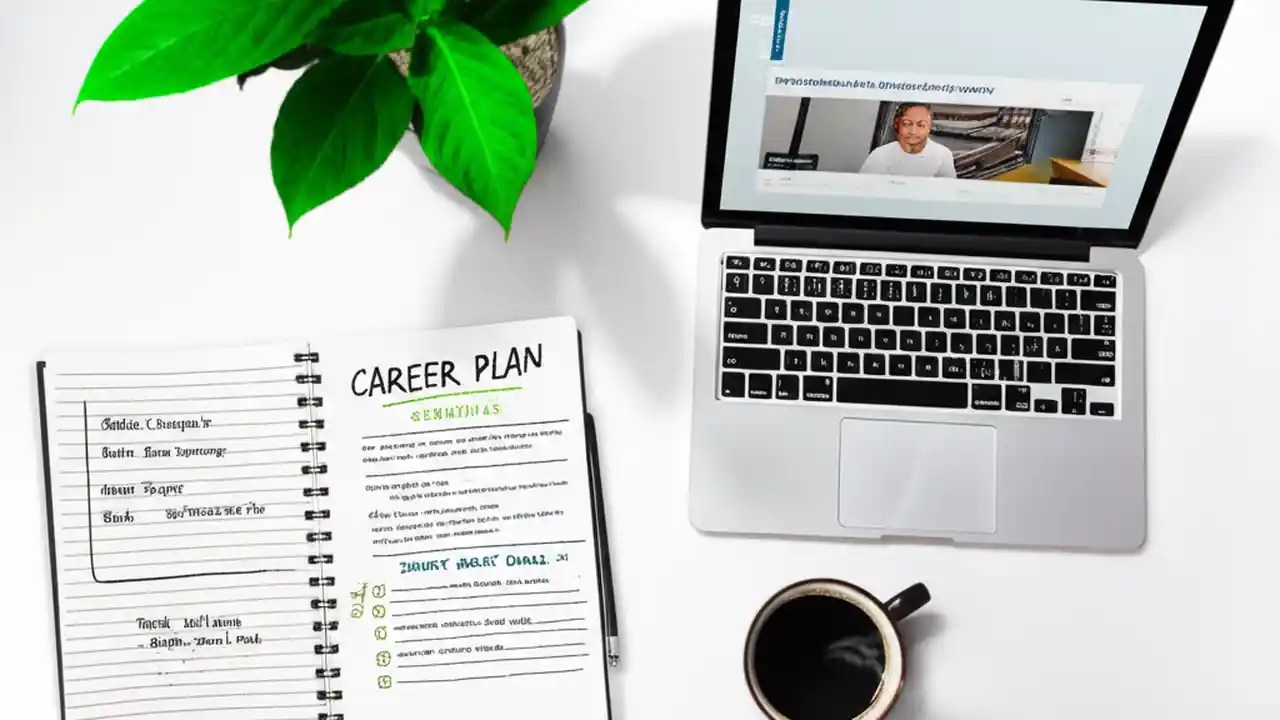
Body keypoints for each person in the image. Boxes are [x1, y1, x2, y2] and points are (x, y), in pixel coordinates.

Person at [859, 103, 957, 178]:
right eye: (907, 124)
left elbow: (948, 193)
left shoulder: (943, 154)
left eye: (921, 125)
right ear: (897, 125)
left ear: (929, 128)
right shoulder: (880, 154)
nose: (913, 131)